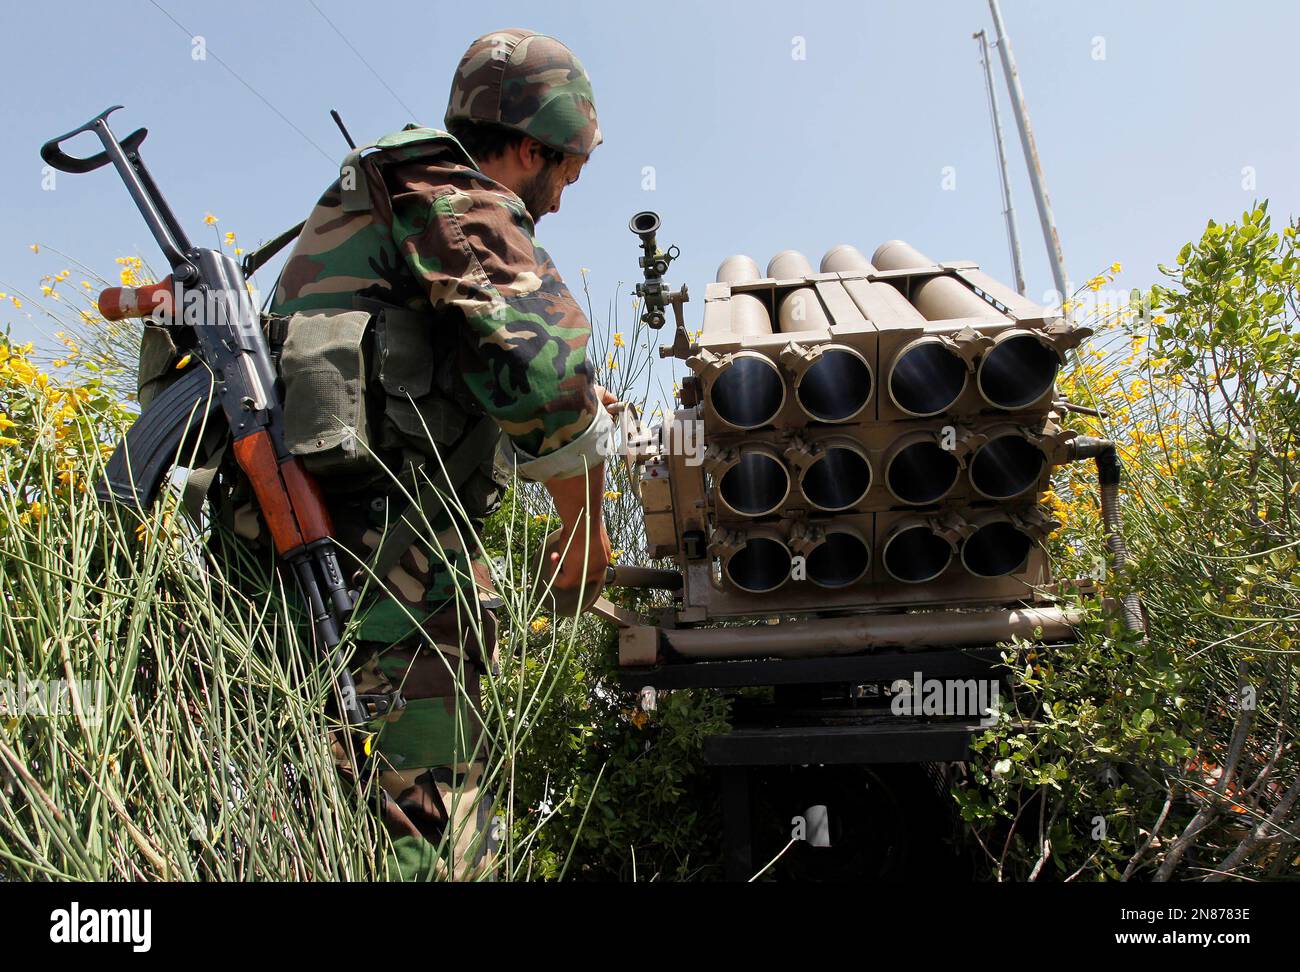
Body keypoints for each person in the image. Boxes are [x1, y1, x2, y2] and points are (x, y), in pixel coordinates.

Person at [241, 27, 615, 880]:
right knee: (431, 846)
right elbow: (548, 376)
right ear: (528, 148)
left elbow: (441, 367)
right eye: (566, 173)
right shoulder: (454, 196)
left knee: (340, 828)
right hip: (386, 583)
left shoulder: (383, 197)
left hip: (321, 568)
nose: (558, 201)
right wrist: (586, 524)